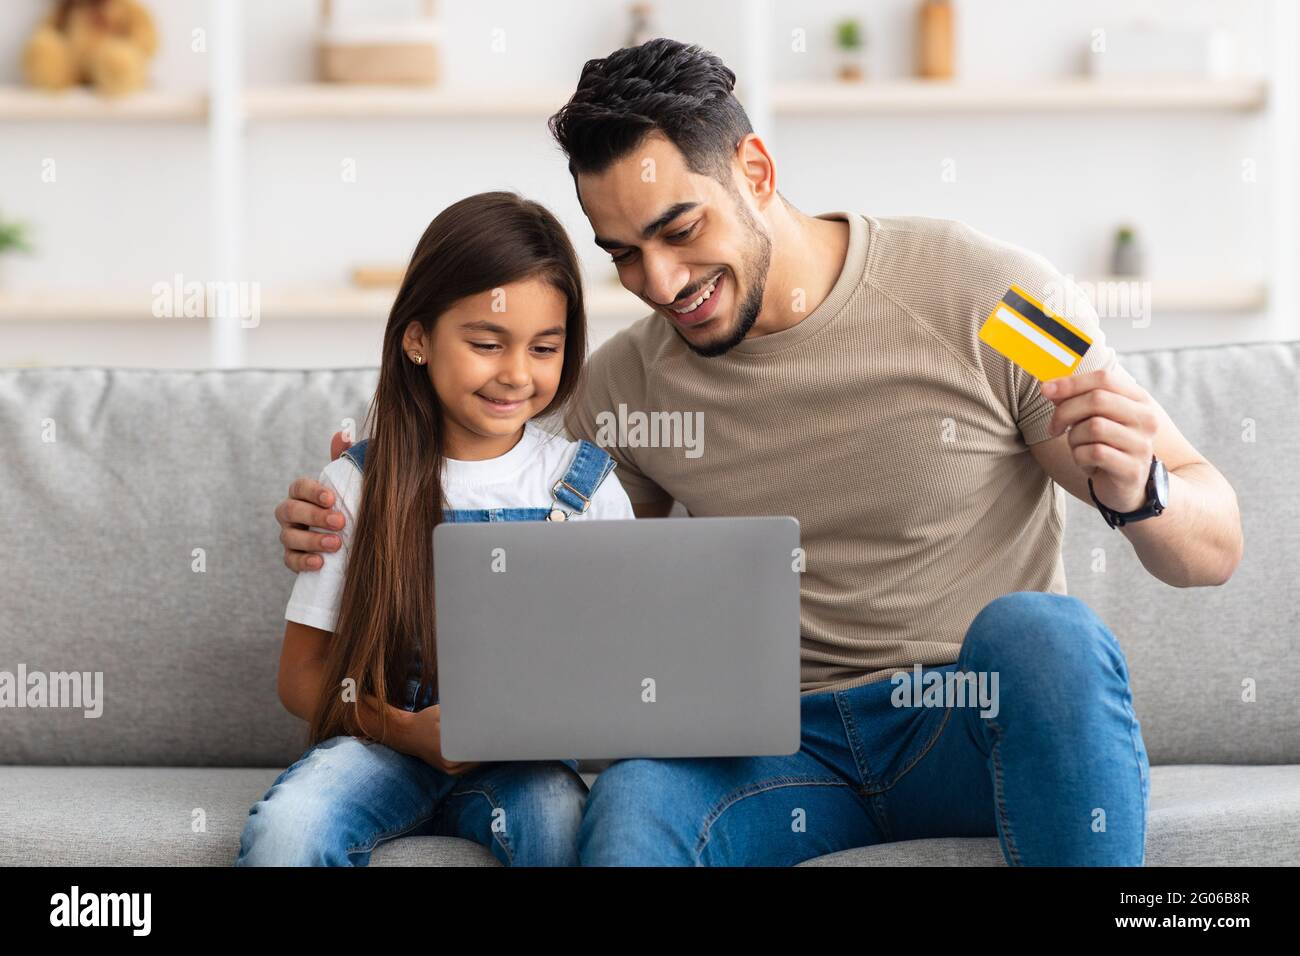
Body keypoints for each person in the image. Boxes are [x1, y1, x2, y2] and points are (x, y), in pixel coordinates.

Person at [274, 40, 1243, 866]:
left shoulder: (993, 298)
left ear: (757, 171)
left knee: (1045, 634)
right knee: (633, 796)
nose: (658, 281)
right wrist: (368, 480)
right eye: (621, 253)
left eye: (678, 229)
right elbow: (516, 528)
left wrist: (1142, 487)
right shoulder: (625, 383)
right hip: (766, 748)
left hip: (964, 722)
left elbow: (1213, 543)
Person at [239, 192, 635, 867]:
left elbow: (631, 664)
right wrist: (407, 730)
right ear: (417, 338)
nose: (516, 373)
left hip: (525, 764)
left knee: (562, 823)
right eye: (486, 344)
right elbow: (301, 676)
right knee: (288, 832)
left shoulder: (586, 486)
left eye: (545, 347)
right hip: (383, 745)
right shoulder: (356, 485)